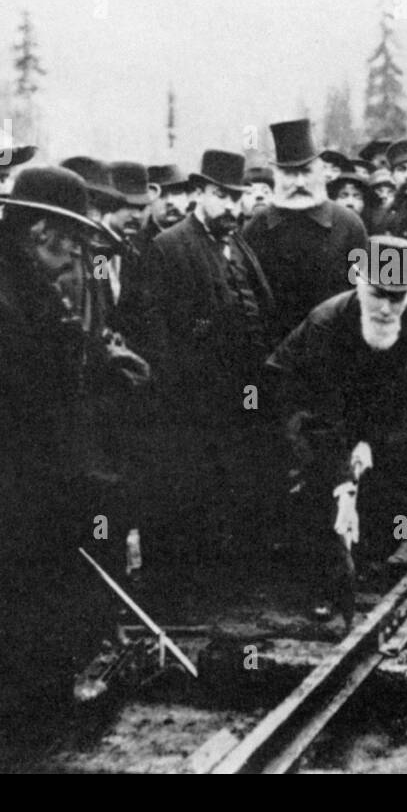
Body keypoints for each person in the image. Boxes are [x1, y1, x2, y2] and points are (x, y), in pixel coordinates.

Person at [0, 165, 149, 753]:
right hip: (9, 510)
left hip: (32, 503)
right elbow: (18, 423)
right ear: (40, 233)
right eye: (75, 242)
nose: (78, 256)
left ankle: (32, 737)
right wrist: (92, 489)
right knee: (14, 650)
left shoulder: (15, 282)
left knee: (34, 648)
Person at [265, 235, 407, 624]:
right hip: (303, 402)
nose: (385, 308)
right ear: (360, 283)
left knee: (382, 478)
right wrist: (343, 482)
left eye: (397, 298)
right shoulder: (326, 324)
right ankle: (321, 586)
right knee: (322, 489)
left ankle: (362, 564)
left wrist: (370, 442)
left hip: (366, 407)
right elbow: (321, 412)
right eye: (377, 294)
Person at [124, 150, 277, 573]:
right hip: (193, 401)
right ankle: (178, 585)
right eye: (220, 195)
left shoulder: (239, 245)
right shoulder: (169, 247)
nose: (231, 206)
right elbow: (157, 334)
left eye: (237, 197)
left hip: (240, 397)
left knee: (230, 485)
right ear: (198, 194)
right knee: (187, 491)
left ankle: (220, 575)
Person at [242, 119, 368, 340]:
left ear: (319, 171)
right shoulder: (256, 228)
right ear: (277, 175)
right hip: (274, 354)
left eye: (306, 171)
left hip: (333, 351)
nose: (300, 182)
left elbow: (363, 298)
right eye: (291, 173)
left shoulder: (349, 225)